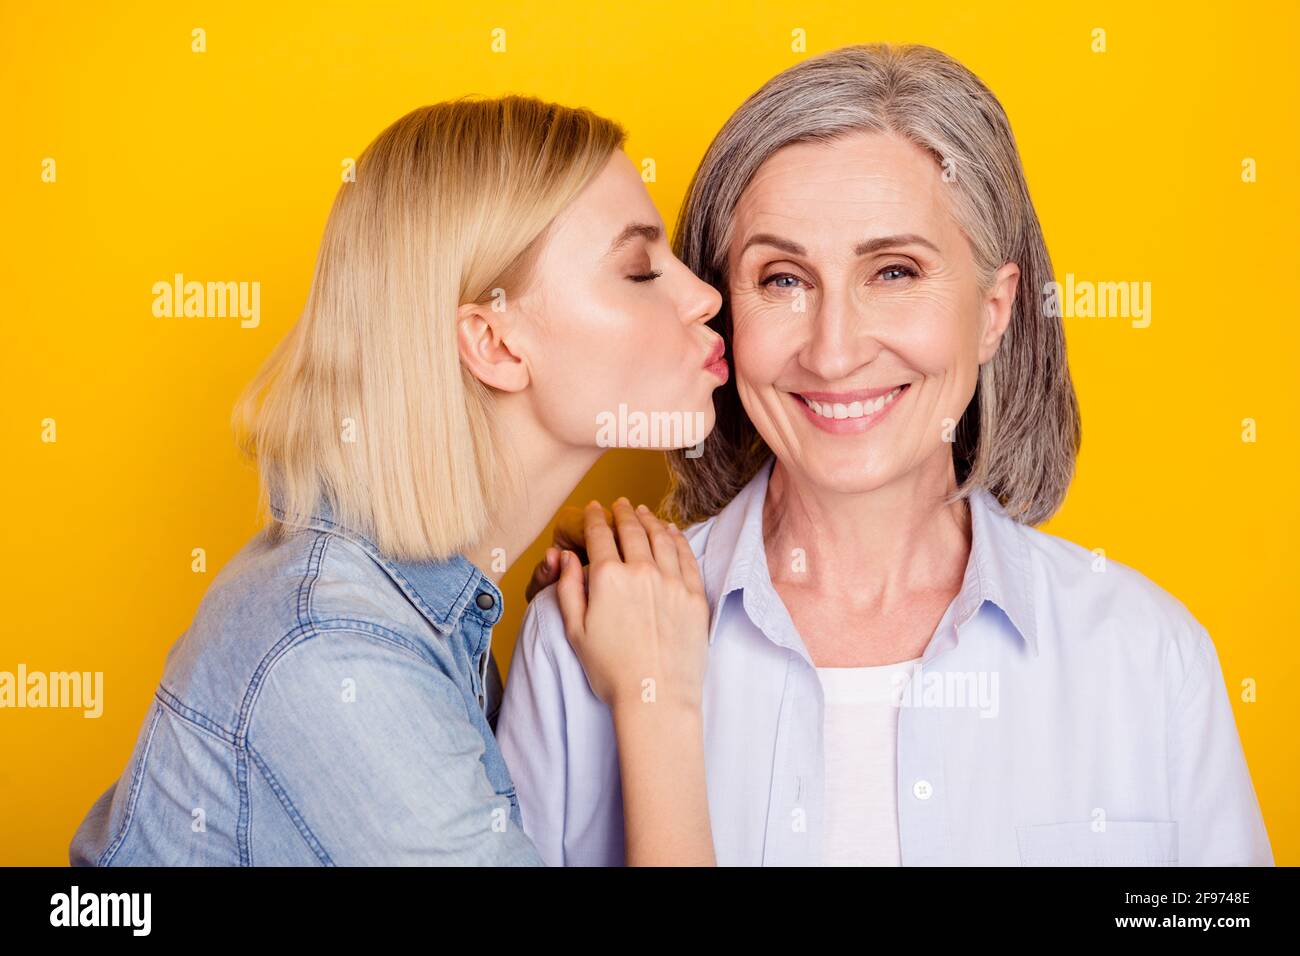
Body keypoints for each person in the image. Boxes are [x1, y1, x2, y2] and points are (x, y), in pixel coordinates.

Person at [498, 44, 1274, 866]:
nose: (834, 353)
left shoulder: (1146, 657)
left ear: (995, 311)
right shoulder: (585, 643)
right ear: (726, 317)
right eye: (783, 280)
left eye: (894, 271)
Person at [68, 96, 723, 865]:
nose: (704, 297)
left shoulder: (425, 610)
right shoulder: (337, 654)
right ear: (495, 343)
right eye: (641, 270)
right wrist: (660, 698)